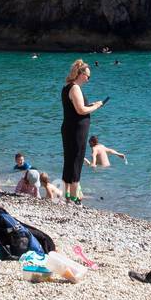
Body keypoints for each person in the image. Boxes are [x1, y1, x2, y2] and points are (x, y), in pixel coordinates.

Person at [60, 59, 105, 204]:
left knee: (70, 160)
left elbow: (77, 107)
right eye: (88, 76)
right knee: (76, 160)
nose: (88, 79)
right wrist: (97, 106)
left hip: (70, 127)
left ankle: (66, 195)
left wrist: (90, 105)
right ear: (80, 74)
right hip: (76, 129)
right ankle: (74, 198)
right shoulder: (75, 88)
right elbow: (81, 110)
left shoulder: (67, 86)